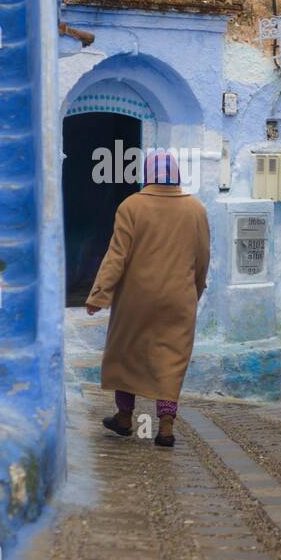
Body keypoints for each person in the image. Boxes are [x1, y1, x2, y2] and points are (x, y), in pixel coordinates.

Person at [86, 149, 211, 448]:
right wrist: (196, 290)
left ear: (147, 175)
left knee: (127, 353)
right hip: (179, 297)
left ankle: (125, 417)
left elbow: (117, 256)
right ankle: (165, 426)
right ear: (177, 175)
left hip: (135, 299)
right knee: (171, 358)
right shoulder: (196, 209)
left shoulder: (131, 206)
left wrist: (99, 295)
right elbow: (202, 257)